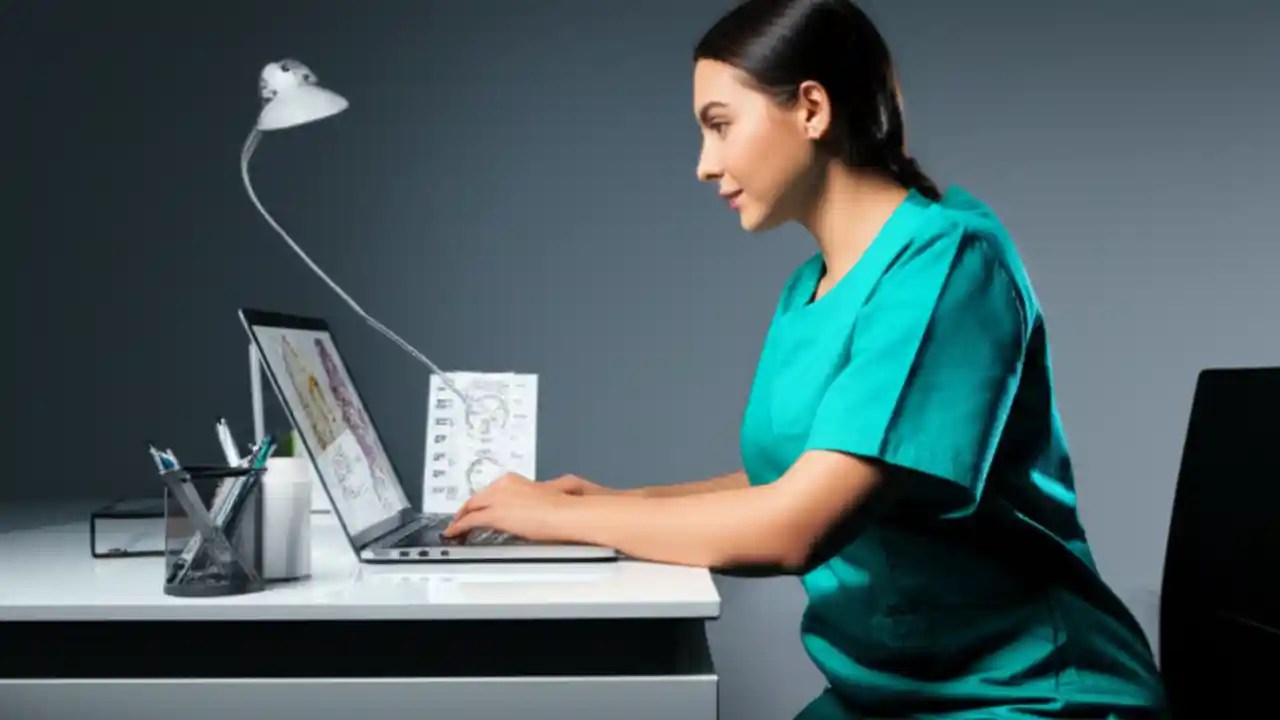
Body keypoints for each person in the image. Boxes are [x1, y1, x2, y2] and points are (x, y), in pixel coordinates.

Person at [444, 0, 1168, 716]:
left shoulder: (949, 261)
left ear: (812, 109)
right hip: (883, 694)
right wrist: (610, 501)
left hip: (1021, 696)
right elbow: (791, 477)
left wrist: (563, 522)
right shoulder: (809, 286)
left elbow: (795, 525)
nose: (704, 165)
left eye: (720, 126)